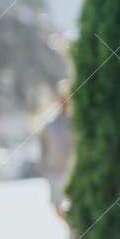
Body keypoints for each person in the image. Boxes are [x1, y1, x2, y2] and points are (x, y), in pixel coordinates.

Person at [37, 82, 75, 228]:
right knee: (57, 205)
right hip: (54, 170)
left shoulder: (74, 121)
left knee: (72, 204)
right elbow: (43, 147)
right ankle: (71, 229)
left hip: (71, 170)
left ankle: (73, 233)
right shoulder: (50, 123)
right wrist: (43, 168)